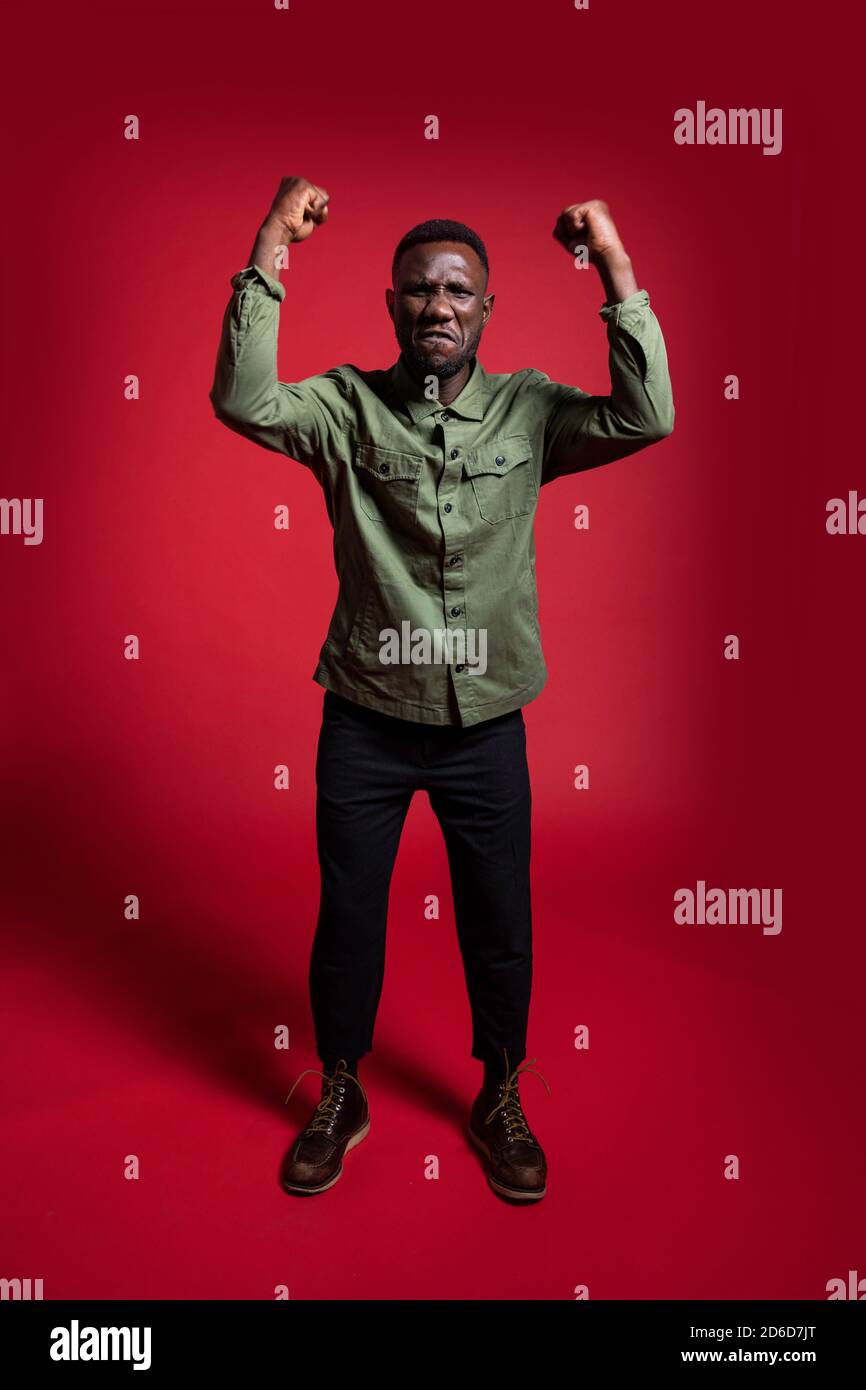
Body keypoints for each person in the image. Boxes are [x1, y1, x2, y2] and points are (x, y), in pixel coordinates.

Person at [209, 177, 674, 1202]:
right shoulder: (341, 406)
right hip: (365, 718)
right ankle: (340, 1085)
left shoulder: (532, 410)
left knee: (499, 920)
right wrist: (270, 242)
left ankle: (498, 1090)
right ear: (391, 306)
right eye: (419, 290)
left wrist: (612, 263)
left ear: (485, 311)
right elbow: (241, 398)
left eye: (458, 292)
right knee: (348, 918)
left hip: (485, 725)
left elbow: (647, 416)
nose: (437, 307)